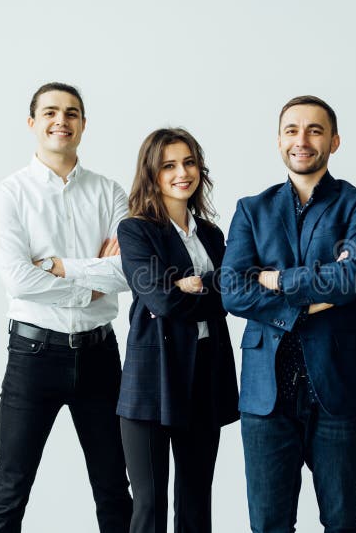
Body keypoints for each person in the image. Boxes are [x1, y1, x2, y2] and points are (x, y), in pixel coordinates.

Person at [221, 95, 356, 533]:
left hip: (338, 386)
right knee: (269, 524)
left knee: (342, 520)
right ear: (279, 141)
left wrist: (276, 280)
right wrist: (315, 295)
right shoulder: (251, 209)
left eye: (315, 130)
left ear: (334, 141)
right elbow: (233, 290)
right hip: (265, 393)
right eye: (292, 130)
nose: (303, 140)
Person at [0, 82, 132, 532]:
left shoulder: (111, 194)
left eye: (71, 113)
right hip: (33, 357)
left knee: (113, 486)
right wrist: (90, 282)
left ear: (84, 125)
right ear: (32, 123)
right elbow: (19, 280)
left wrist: (57, 266)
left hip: (100, 356)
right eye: (50, 112)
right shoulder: (7, 196)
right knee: (11, 486)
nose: (60, 121)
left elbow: (127, 275)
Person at [116, 128, 239, 533]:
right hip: (154, 376)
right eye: (169, 165)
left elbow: (232, 297)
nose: (182, 173)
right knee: (149, 507)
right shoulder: (136, 230)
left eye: (188, 162)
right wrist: (198, 287)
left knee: (195, 501)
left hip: (205, 372)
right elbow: (161, 301)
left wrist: (187, 285)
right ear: (152, 173)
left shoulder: (211, 233)